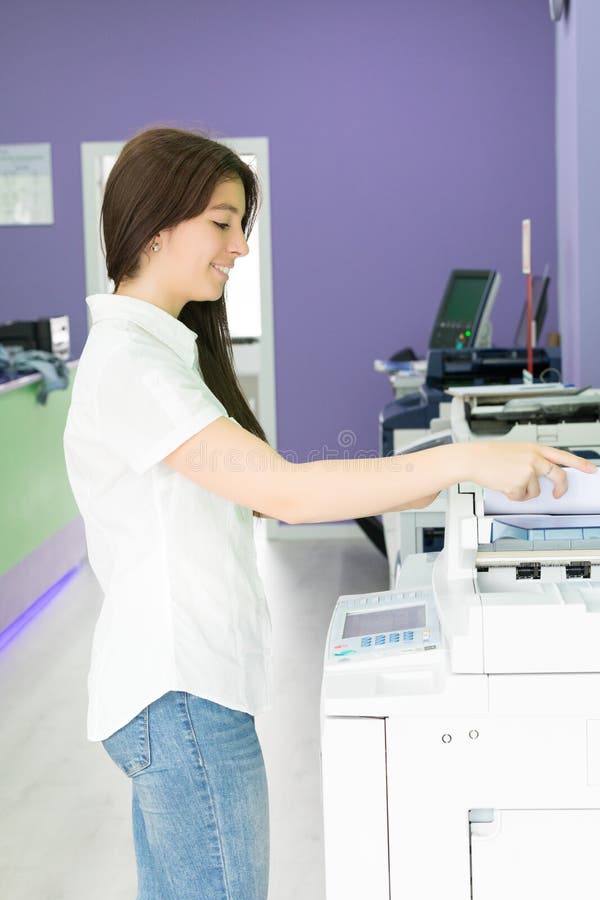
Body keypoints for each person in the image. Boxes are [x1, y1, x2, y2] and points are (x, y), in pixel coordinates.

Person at [63, 126, 596, 900]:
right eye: (222, 222)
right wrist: (462, 460)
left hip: (175, 695)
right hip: (178, 696)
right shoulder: (133, 369)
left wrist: (455, 476)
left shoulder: (159, 354)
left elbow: (291, 489)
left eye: (242, 224)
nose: (240, 246)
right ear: (153, 222)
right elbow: (285, 493)